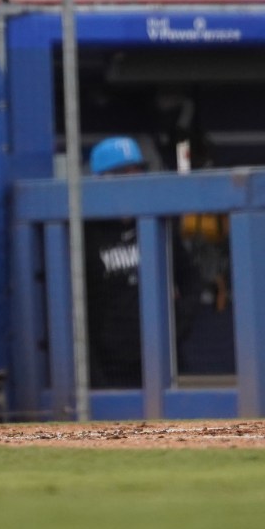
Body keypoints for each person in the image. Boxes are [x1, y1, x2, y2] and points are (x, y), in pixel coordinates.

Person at [83, 136, 150, 388]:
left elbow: (189, 279)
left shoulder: (155, 224)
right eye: (123, 173)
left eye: (137, 171)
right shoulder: (86, 235)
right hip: (108, 368)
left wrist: (175, 330)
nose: (131, 180)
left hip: (157, 361)